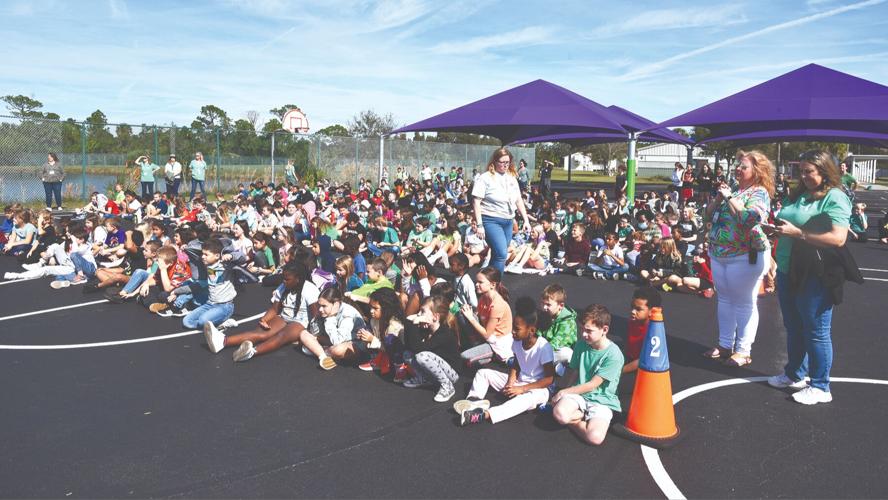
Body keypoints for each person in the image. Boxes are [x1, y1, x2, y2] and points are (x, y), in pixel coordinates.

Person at [765, 150, 854, 405]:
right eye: (801, 171)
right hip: (787, 268)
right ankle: (795, 374)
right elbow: (791, 225)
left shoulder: (835, 197)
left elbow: (838, 238)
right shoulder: (800, 194)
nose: (803, 176)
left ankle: (820, 386)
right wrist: (778, 232)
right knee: (794, 326)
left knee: (816, 330)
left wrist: (798, 234)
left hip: (816, 272)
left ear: (825, 171)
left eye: (809, 172)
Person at [702, 150, 773, 367]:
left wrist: (730, 198)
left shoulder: (759, 193)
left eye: (744, 167)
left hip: (745, 254)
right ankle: (725, 345)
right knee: (724, 299)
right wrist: (718, 198)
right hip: (720, 254)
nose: (738, 170)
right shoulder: (733, 190)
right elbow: (707, 215)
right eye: (738, 166)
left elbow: (748, 219)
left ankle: (743, 350)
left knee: (744, 302)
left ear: (757, 171)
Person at [455, 297, 555, 426]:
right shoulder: (517, 342)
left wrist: (522, 389)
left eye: (517, 329)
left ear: (531, 331)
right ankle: (474, 401)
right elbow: (517, 363)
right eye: (513, 327)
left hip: (539, 389)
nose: (512, 331)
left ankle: (482, 415)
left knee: (525, 401)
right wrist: (510, 382)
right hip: (520, 382)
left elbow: (549, 380)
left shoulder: (544, 347)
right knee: (483, 373)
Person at [208, 262, 319, 362]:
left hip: (300, 323)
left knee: (281, 336)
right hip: (285, 317)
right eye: (283, 278)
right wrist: (264, 319)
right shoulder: (283, 287)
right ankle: (222, 341)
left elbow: (316, 315)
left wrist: (312, 335)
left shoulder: (309, 289)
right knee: (260, 333)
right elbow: (275, 309)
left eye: (287, 279)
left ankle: (251, 352)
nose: (284, 282)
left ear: (298, 279)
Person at [551, 304, 623, 446]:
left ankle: (579, 418)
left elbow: (593, 384)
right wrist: (564, 391)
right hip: (580, 395)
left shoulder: (614, 354)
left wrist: (564, 392)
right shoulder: (581, 345)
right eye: (583, 329)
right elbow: (574, 371)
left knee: (595, 438)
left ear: (604, 330)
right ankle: (582, 417)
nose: (583, 334)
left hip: (602, 400)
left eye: (589, 331)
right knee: (559, 413)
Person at [471, 148, 531, 273]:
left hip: (508, 221)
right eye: (502, 162)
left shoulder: (512, 178)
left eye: (507, 162)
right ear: (494, 161)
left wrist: (526, 220)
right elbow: (476, 202)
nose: (505, 165)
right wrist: (480, 224)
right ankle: (496, 285)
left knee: (497, 255)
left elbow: (518, 200)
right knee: (501, 254)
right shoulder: (485, 178)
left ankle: (487, 280)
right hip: (490, 220)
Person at [401, 295, 462, 403]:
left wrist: (414, 323)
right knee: (407, 353)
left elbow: (418, 349)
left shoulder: (444, 334)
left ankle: (447, 386)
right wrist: (409, 321)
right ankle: (423, 378)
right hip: (437, 369)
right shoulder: (426, 329)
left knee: (421, 356)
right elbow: (409, 346)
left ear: (435, 317)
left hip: (452, 373)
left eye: (423, 311)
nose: (419, 314)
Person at [299, 287, 367, 370]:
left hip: (353, 344)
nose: (320, 309)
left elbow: (337, 341)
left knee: (338, 350)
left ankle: (319, 351)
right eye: (319, 305)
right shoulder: (324, 311)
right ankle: (323, 357)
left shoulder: (347, 314)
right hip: (332, 340)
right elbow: (314, 333)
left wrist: (330, 319)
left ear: (336, 304)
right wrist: (318, 318)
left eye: (324, 306)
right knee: (303, 333)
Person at [459, 267, 513, 368]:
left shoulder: (497, 305)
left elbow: (487, 335)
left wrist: (471, 317)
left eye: (480, 282)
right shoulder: (483, 298)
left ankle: (493, 355)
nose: (476, 285)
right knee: (462, 313)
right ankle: (476, 345)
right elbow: (481, 317)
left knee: (464, 356)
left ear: (492, 285)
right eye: (476, 282)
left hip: (496, 341)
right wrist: (469, 313)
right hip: (486, 335)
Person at [183, 239, 237, 331]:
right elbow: (194, 251)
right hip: (210, 303)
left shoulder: (225, 265)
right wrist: (186, 248)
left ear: (217, 256)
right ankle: (216, 325)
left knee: (202, 321)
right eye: (202, 254)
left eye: (206, 255)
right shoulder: (208, 265)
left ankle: (223, 322)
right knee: (187, 322)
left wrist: (231, 256)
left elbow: (241, 256)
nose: (203, 257)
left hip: (224, 306)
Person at [537, 284, 577, 375]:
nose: (544, 307)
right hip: (543, 350)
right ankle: (551, 367)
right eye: (542, 303)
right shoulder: (544, 315)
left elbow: (556, 343)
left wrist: (538, 352)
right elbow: (537, 333)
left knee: (566, 353)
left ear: (561, 305)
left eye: (548, 305)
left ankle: (542, 365)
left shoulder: (568, 322)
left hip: (555, 350)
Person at [622, 287, 661, 373]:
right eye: (632, 307)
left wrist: (619, 371)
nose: (633, 311)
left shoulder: (653, 332)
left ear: (652, 311)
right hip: (630, 360)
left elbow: (645, 359)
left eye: (638, 309)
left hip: (643, 369)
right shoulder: (633, 321)